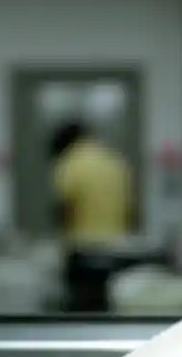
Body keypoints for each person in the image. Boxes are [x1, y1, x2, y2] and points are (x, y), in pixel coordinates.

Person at [49, 120, 135, 311]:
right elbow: (131, 210)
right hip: (117, 249)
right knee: (111, 306)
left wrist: (60, 244)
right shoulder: (115, 161)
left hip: (83, 251)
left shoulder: (70, 162)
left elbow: (65, 207)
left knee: (82, 308)